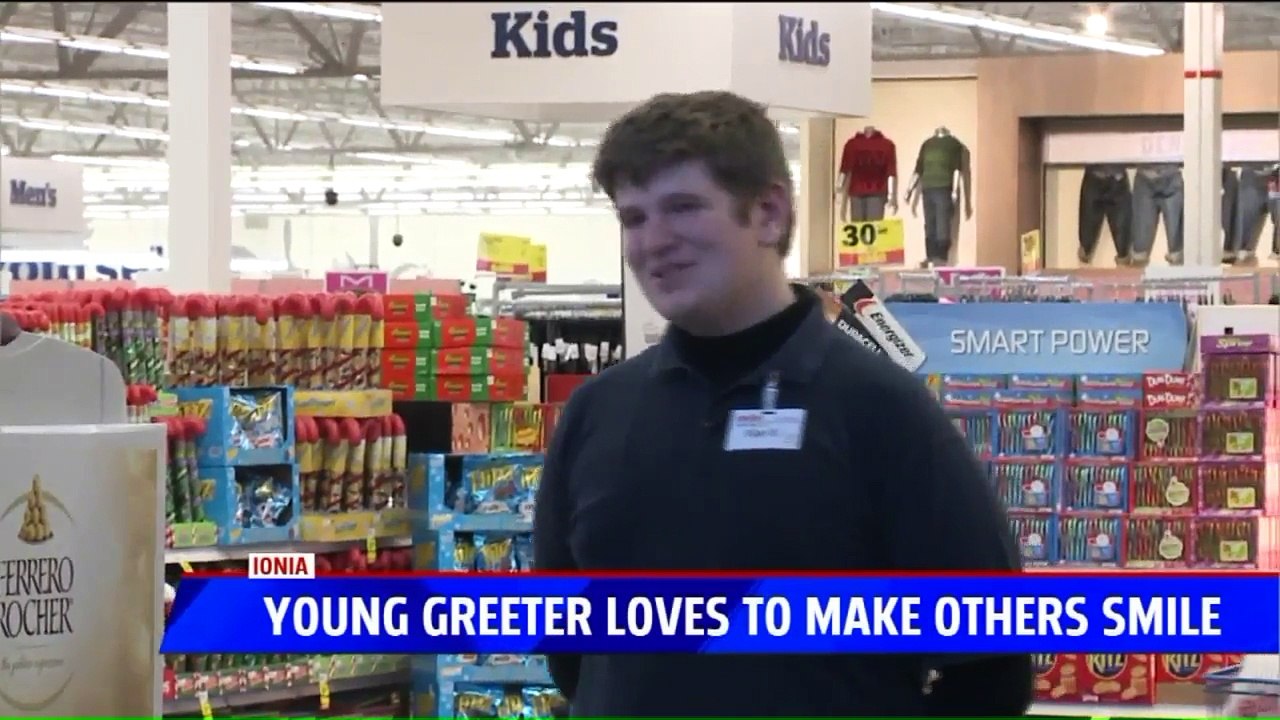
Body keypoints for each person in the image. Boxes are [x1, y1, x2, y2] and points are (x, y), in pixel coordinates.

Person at [533, 90, 1032, 717]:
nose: (653, 241)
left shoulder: (882, 412)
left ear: (768, 213)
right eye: (633, 218)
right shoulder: (596, 415)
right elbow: (567, 637)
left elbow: (990, 668)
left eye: (682, 207)